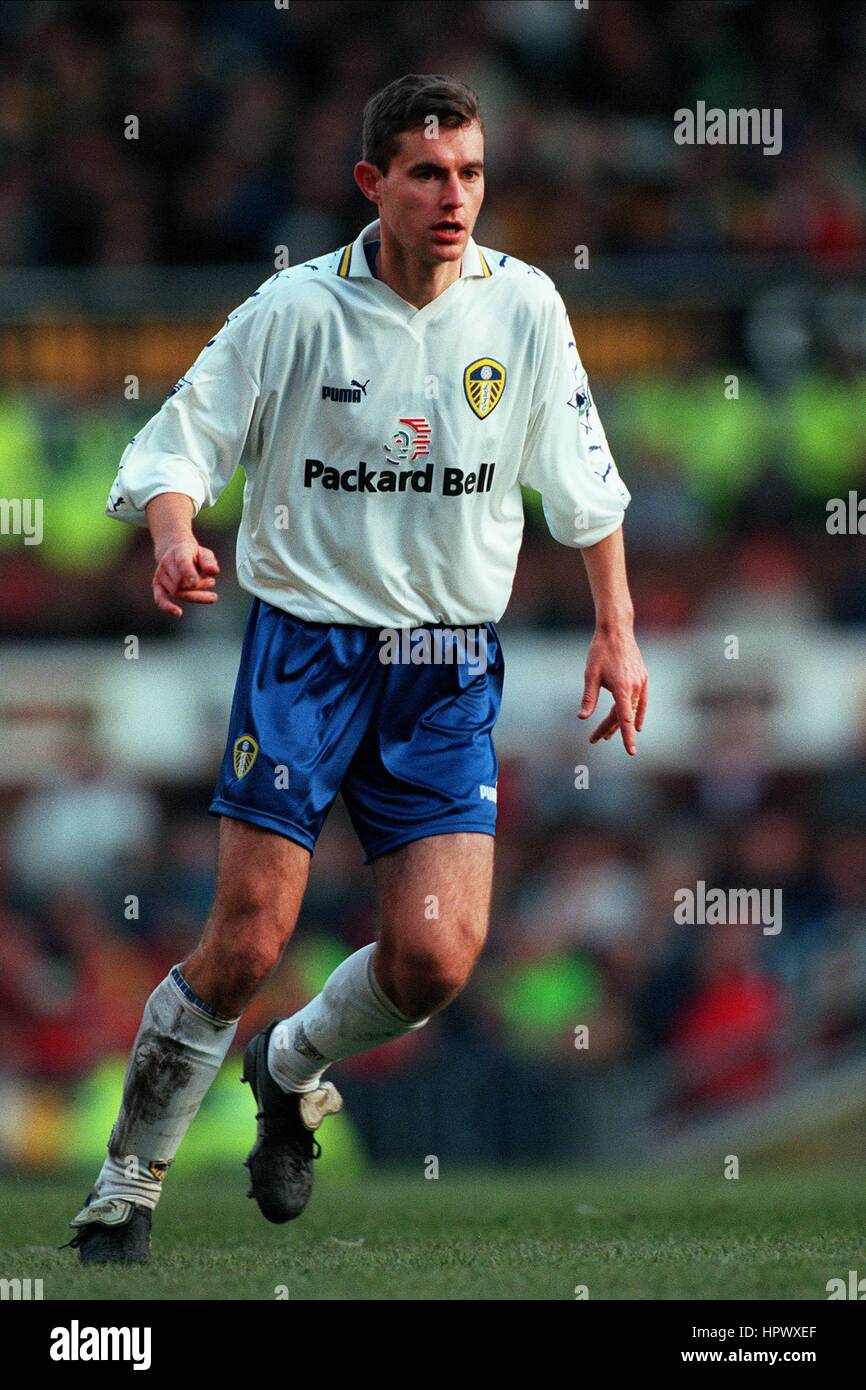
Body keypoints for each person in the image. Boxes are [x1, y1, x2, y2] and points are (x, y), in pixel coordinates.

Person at [68, 73, 648, 1264]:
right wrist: (176, 530)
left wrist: (616, 625)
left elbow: (582, 483)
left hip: (445, 665)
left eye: (471, 173)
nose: (453, 197)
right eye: (427, 173)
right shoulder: (294, 307)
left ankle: (288, 1072)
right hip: (307, 648)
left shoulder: (524, 307)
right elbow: (181, 439)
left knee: (435, 956)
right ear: (370, 183)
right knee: (245, 939)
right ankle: (124, 1188)